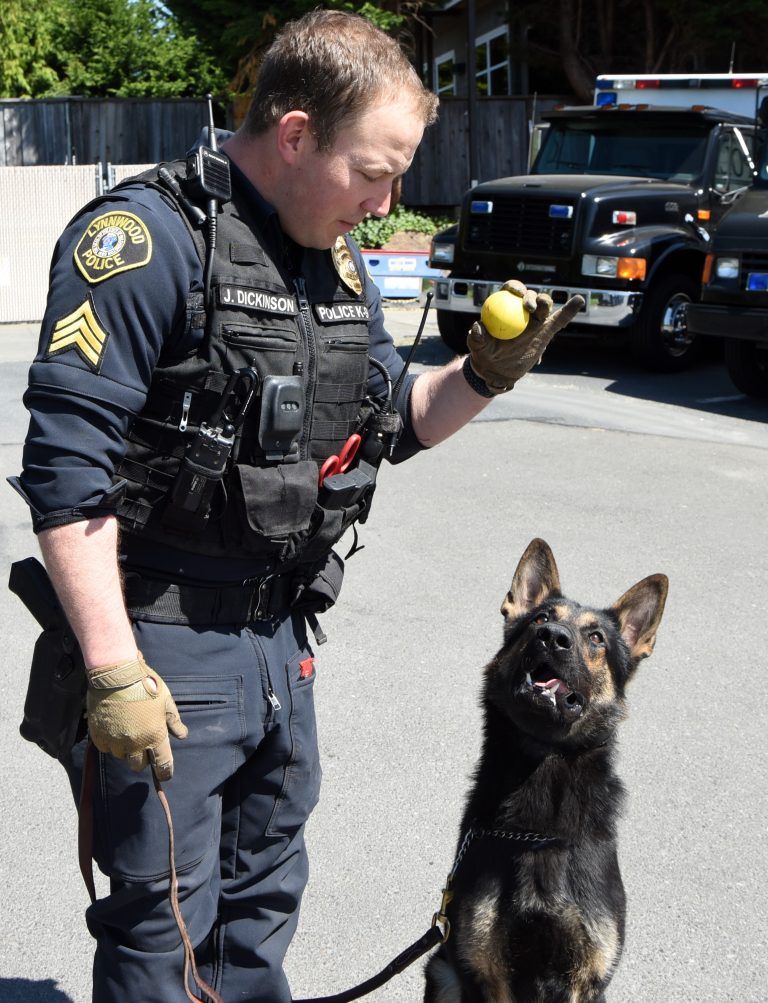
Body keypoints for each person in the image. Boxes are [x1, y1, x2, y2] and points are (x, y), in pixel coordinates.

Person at [13, 9, 581, 1002]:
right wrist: (110, 668)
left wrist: (486, 372)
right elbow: (68, 471)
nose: (390, 198)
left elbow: (399, 420)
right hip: (165, 649)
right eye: (375, 169)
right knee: (162, 932)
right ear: (294, 134)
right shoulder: (145, 243)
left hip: (283, 642)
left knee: (260, 910)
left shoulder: (338, 267)